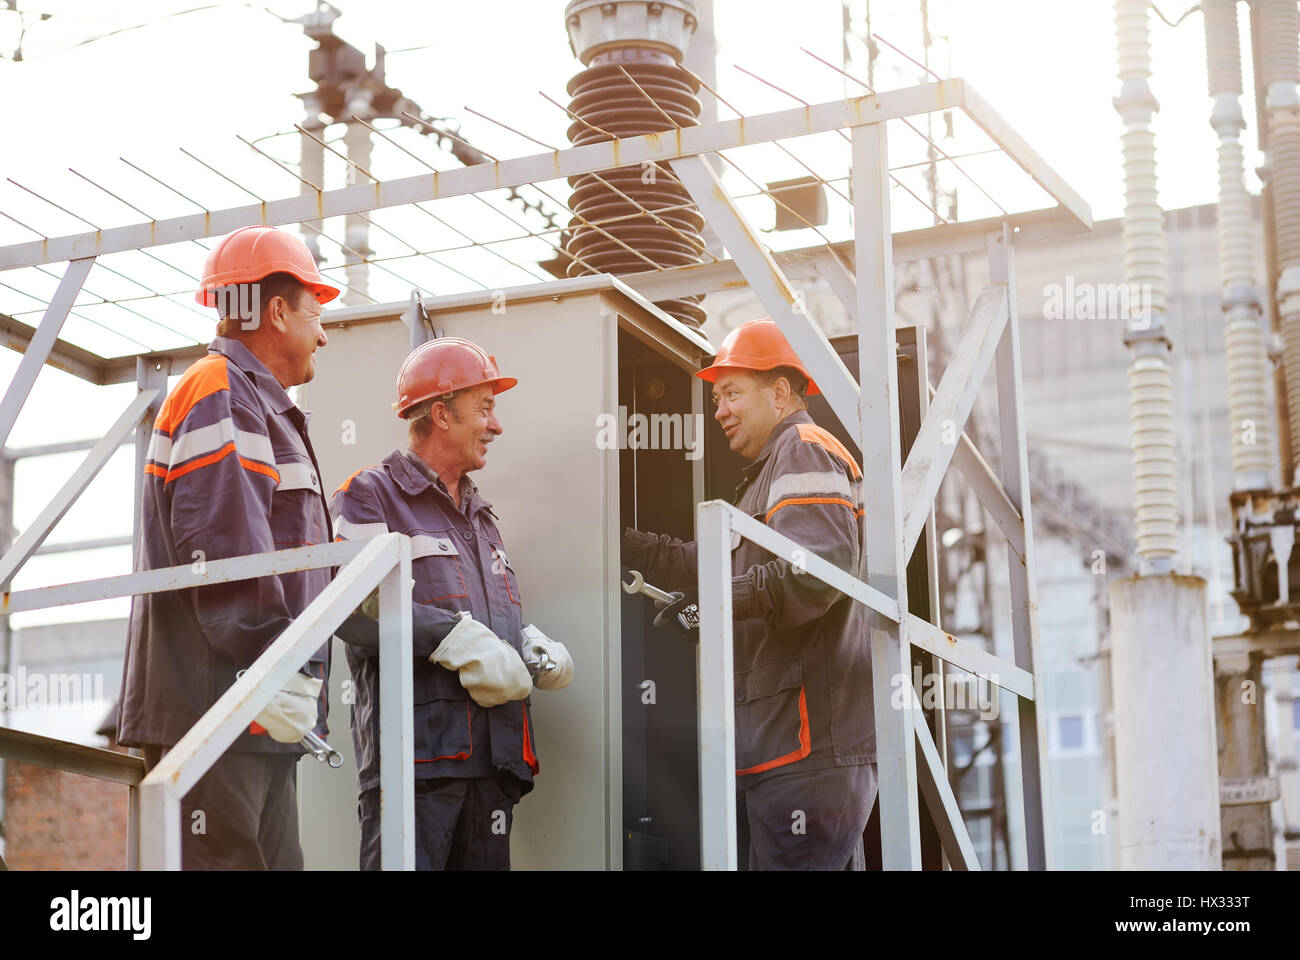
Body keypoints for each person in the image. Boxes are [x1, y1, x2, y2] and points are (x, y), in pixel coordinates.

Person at [118, 225, 341, 869]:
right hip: (220, 708)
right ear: (276, 311)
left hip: (255, 710)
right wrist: (280, 663)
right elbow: (223, 544)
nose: (322, 333)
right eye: (314, 312)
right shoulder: (218, 386)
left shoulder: (255, 402)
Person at [622, 318, 875, 871]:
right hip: (787, 744)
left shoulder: (803, 450)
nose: (720, 412)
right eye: (717, 399)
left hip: (806, 743)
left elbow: (819, 571)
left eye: (732, 392)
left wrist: (711, 603)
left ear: (780, 391)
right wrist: (624, 544)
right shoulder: (772, 471)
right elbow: (710, 563)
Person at [331, 336, 572, 871]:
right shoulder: (370, 495)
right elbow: (347, 608)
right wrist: (449, 638)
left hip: (493, 767)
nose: (496, 424)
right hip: (415, 768)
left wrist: (525, 642)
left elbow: (488, 621)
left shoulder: (482, 518)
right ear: (441, 413)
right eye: (485, 408)